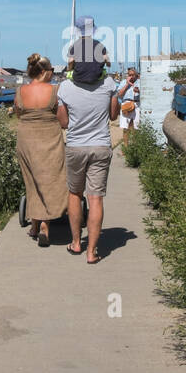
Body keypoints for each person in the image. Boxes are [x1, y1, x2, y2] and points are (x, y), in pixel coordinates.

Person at [56, 45, 118, 264]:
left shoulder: (64, 87)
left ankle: (76, 243)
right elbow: (113, 115)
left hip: (75, 147)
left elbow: (63, 123)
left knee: (75, 194)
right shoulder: (109, 84)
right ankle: (92, 252)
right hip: (100, 146)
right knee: (96, 199)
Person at [13, 54, 67, 247]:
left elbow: (19, 113)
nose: (53, 74)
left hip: (26, 139)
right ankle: (46, 223)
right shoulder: (55, 91)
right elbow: (64, 121)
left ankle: (35, 226)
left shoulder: (21, 91)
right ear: (44, 72)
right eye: (51, 71)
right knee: (51, 180)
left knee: (32, 181)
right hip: (50, 137)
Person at [116, 68, 141, 150]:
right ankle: (126, 148)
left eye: (132, 75)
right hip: (126, 104)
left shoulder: (140, 82)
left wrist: (138, 91)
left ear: (136, 75)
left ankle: (135, 147)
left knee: (136, 127)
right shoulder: (123, 82)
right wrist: (127, 84)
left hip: (136, 104)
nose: (131, 77)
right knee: (125, 127)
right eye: (129, 75)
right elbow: (119, 94)